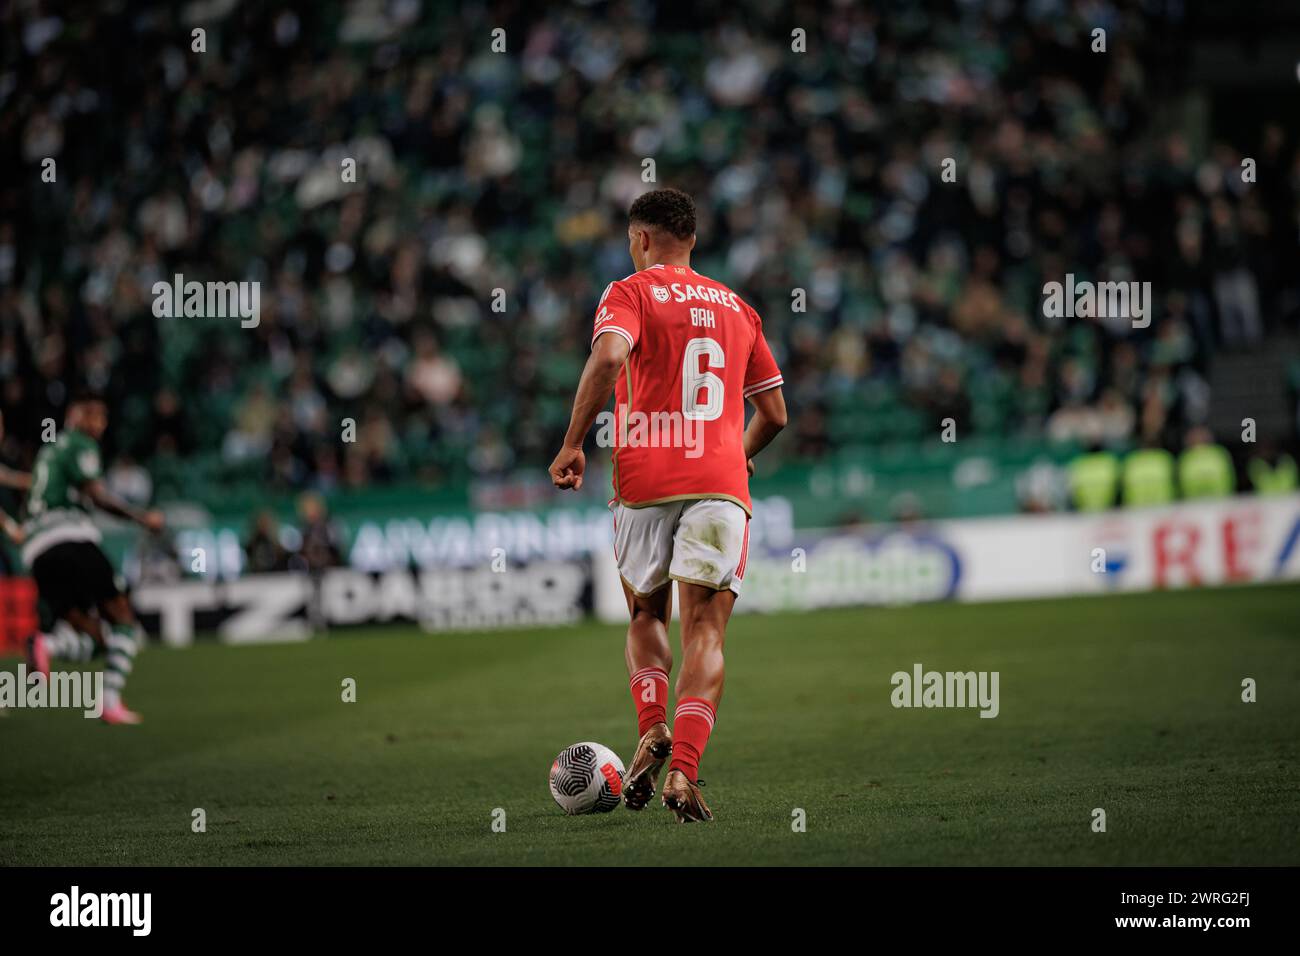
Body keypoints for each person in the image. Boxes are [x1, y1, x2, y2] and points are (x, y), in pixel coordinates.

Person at [548, 188, 787, 822]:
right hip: (718, 484)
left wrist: (573, 443)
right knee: (706, 630)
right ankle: (684, 769)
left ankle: (651, 725)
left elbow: (608, 356)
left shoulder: (629, 292)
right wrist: (736, 454)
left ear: (641, 240)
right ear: (693, 241)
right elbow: (775, 413)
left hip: (645, 480)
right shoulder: (739, 307)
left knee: (644, 614)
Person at [22, 392, 165, 725]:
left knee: (97, 638)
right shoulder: (80, 443)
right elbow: (97, 496)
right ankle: (109, 701)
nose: (98, 424)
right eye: (92, 415)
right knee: (124, 618)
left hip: (36, 549)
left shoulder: (48, 450)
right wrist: (142, 518)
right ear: (74, 415)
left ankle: (47, 644)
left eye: (103, 418)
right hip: (70, 537)